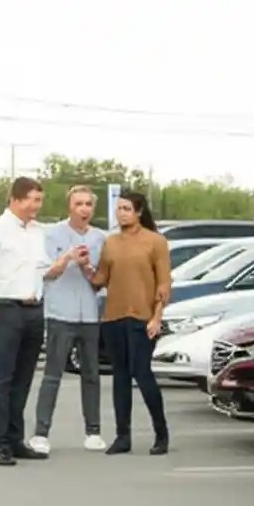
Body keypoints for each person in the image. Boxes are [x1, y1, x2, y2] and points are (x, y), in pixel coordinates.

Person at [0, 177, 52, 466]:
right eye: (32, 199)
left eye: (39, 200)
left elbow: (41, 270)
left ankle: (15, 439)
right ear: (15, 199)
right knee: (2, 378)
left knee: (23, 378)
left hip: (32, 309)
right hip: (4, 308)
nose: (36, 206)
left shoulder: (38, 232)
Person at [84, 190, 172, 455]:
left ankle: (161, 433)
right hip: (114, 318)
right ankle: (123, 436)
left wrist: (157, 316)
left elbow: (164, 283)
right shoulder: (111, 242)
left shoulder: (155, 241)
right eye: (118, 208)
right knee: (120, 377)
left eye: (126, 209)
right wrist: (84, 266)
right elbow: (101, 279)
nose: (121, 213)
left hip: (143, 318)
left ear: (139, 212)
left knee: (142, 373)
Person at [28, 185, 108, 455]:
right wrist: (68, 258)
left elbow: (99, 282)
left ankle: (93, 432)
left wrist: (86, 267)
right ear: (69, 207)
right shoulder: (52, 234)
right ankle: (41, 433)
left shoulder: (100, 238)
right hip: (60, 313)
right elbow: (47, 273)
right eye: (79, 204)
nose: (84, 209)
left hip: (89, 315)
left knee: (91, 375)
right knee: (53, 374)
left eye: (88, 204)